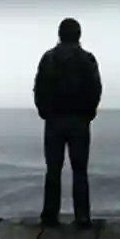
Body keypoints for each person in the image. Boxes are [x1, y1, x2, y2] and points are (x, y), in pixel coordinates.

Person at [34, 17, 102, 228]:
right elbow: (95, 89)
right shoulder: (87, 59)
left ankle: (50, 216)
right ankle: (82, 216)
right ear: (79, 35)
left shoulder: (48, 58)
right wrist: (88, 114)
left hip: (54, 121)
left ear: (59, 34)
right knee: (79, 169)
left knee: (53, 169)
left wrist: (44, 112)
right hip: (79, 121)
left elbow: (39, 88)